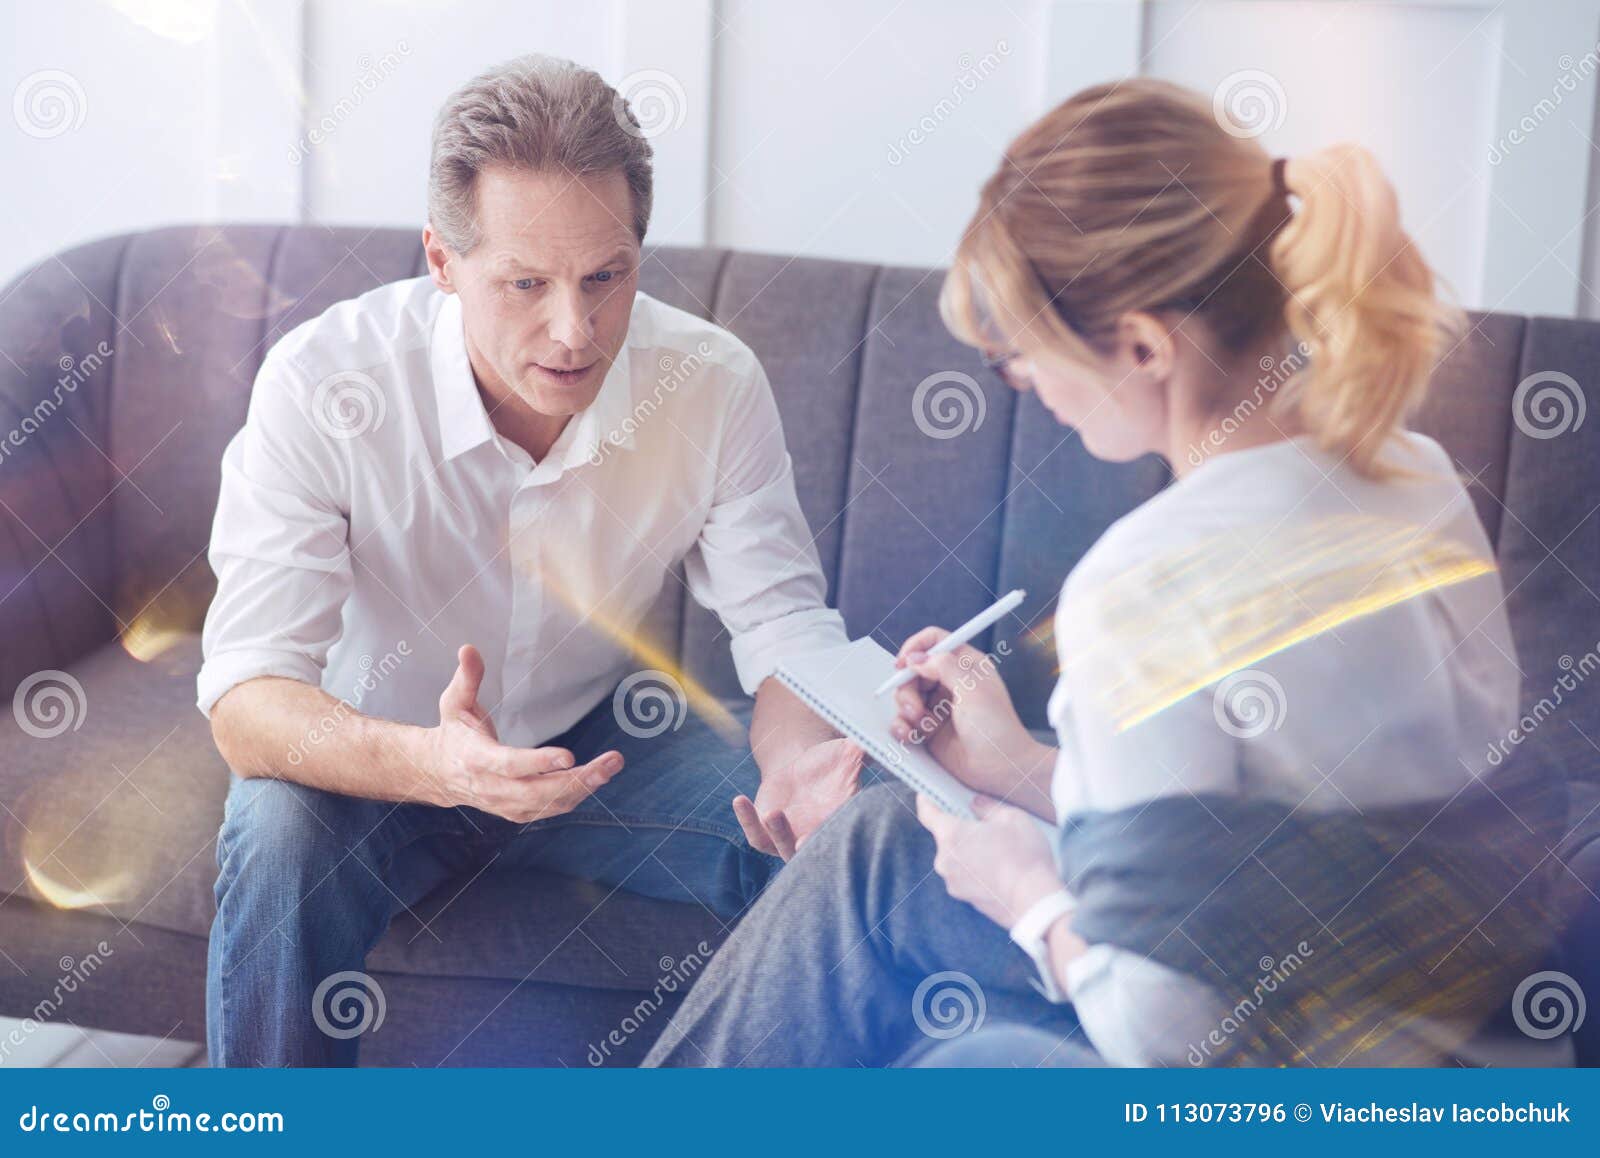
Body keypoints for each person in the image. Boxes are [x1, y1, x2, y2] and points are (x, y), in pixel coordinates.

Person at [644, 77, 1567, 1068]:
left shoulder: (1144, 586)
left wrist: (1028, 898)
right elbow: (1289, 852)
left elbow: (1169, 1037)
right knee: (881, 849)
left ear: (1138, 343)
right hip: (1470, 1044)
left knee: (961, 1059)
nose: (1024, 383)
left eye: (1022, 354)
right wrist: (1009, 766)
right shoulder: (1414, 474)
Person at [199, 54, 864, 1066]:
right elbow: (248, 701)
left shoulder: (709, 385)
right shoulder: (324, 386)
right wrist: (433, 765)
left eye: (607, 277)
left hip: (599, 744)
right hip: (379, 751)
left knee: (843, 842)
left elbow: (782, 628)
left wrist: (798, 769)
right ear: (440, 261)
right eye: (524, 283)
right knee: (276, 830)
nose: (575, 330)